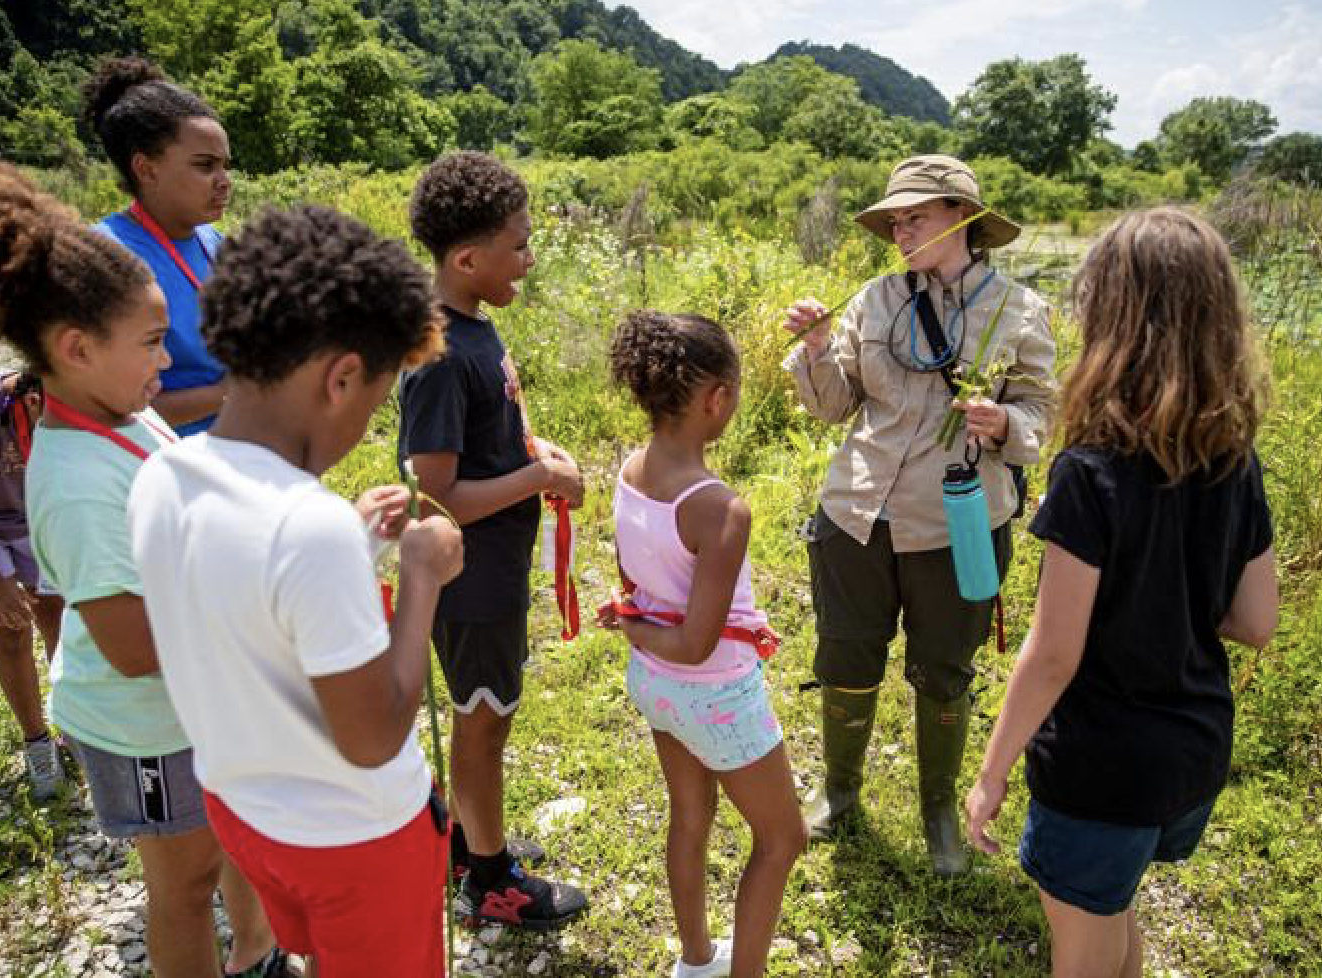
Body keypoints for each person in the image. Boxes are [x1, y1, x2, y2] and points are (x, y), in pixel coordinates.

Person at [129, 203, 462, 978]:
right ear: (342, 376)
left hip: (245, 815)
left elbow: (247, 602)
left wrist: (358, 540)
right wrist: (420, 579)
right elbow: (372, 736)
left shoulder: (161, 475)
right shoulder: (306, 525)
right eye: (376, 399)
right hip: (359, 840)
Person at [965, 207, 1278, 978]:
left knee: (1084, 940)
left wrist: (990, 772)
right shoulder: (1236, 462)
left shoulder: (1091, 472)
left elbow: (1053, 655)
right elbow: (1256, 620)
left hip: (1099, 767)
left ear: (1110, 315)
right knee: (1112, 907)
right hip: (1193, 752)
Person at [0, 163, 277, 978]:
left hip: (194, 700)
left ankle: (255, 955)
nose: (169, 357)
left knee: (229, 837)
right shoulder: (76, 482)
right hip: (144, 722)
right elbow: (133, 647)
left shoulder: (128, 411)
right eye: (152, 342)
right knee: (182, 886)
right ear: (77, 349)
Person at [782, 154, 1057, 874]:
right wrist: (816, 349)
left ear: (964, 219)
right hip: (855, 513)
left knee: (943, 669)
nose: (900, 232)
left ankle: (938, 809)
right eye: (894, 220)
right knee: (846, 655)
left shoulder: (1019, 310)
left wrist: (1004, 423)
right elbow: (836, 406)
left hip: (958, 522)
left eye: (917, 217)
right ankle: (840, 793)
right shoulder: (874, 299)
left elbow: (1043, 413)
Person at [399, 150, 588, 930]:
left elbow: (489, 441)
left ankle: (469, 839)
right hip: (470, 582)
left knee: (493, 716)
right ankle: (490, 879)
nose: (530, 258)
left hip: (496, 568)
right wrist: (538, 481)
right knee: (484, 724)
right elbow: (436, 489)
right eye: (519, 244)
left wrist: (534, 454)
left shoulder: (477, 332)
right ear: (469, 259)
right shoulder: (441, 356)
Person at [599, 311, 807, 978]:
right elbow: (695, 643)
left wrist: (634, 631)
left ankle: (696, 961)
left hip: (654, 687)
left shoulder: (630, 470)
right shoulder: (718, 508)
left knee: (690, 815)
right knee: (782, 838)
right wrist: (634, 627)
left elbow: (643, 585)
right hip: (713, 693)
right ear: (717, 397)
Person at [86, 56, 231, 436]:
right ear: (146, 168)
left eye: (225, 166)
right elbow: (115, 406)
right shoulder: (107, 258)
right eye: (205, 166)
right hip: (159, 473)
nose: (224, 181)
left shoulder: (213, 242)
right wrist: (229, 394)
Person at [0, 369, 65, 799]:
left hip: (34, 519)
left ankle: (71, 721)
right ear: (33, 403)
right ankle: (37, 743)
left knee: (53, 610)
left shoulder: (64, 412)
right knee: (9, 628)